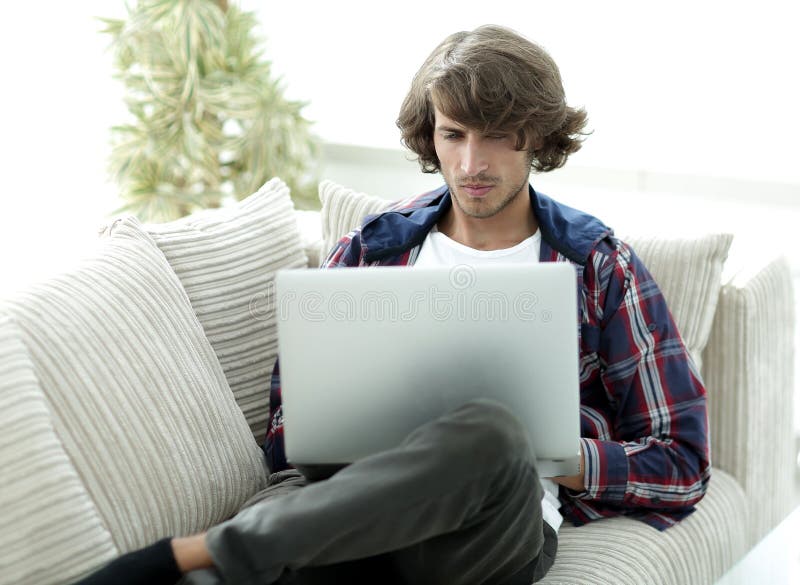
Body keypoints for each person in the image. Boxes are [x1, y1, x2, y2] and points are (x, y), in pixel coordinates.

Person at [75, 24, 710, 585]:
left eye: (496, 137)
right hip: (345, 504)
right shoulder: (371, 250)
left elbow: (682, 464)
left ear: (537, 137)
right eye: (453, 135)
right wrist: (365, 435)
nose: (470, 163)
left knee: (492, 433)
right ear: (430, 135)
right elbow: (286, 431)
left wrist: (550, 452)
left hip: (480, 534)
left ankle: (197, 550)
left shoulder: (599, 264)